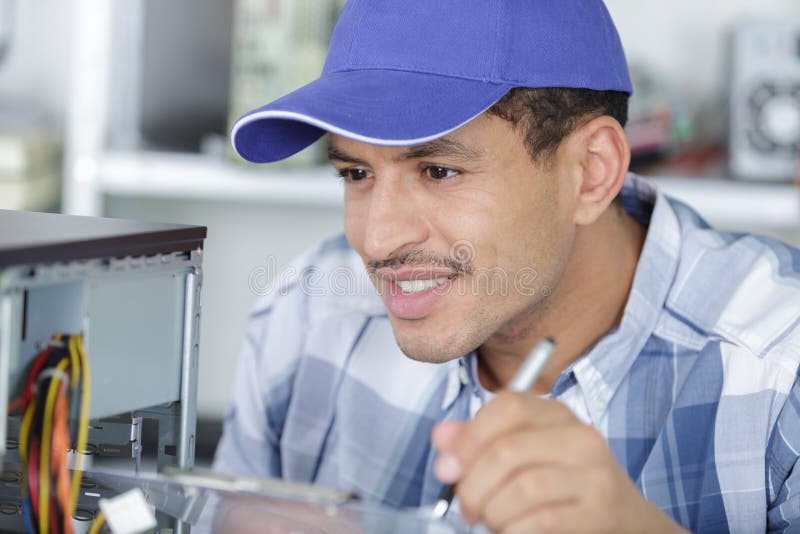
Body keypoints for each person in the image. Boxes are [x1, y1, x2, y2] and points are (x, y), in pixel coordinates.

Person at [213, 1, 800, 532]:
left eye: (439, 171)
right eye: (356, 174)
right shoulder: (304, 317)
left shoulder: (780, 367)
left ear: (591, 171)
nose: (378, 238)